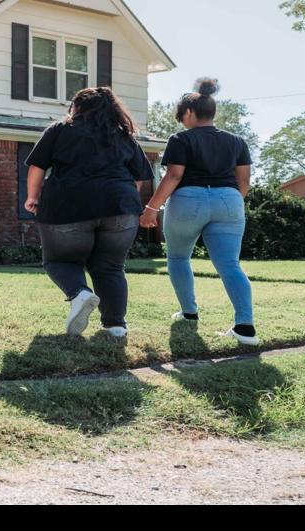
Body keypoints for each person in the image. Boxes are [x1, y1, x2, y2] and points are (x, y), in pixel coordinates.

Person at [24, 86, 153, 338]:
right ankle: (115, 327)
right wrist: (121, 201)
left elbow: (37, 167)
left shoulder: (61, 129)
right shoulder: (123, 136)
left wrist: (32, 197)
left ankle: (79, 293)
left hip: (69, 205)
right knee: (111, 267)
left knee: (60, 261)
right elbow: (139, 179)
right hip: (121, 208)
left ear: (77, 107)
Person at [139, 78, 259, 347]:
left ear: (190, 113)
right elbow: (244, 182)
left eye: (181, 116)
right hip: (229, 200)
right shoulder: (237, 141)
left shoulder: (181, 139)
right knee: (230, 265)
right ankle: (245, 327)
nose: (181, 121)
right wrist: (227, 202)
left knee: (179, 257)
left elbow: (173, 175)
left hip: (188, 200)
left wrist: (151, 209)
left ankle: (189, 313)